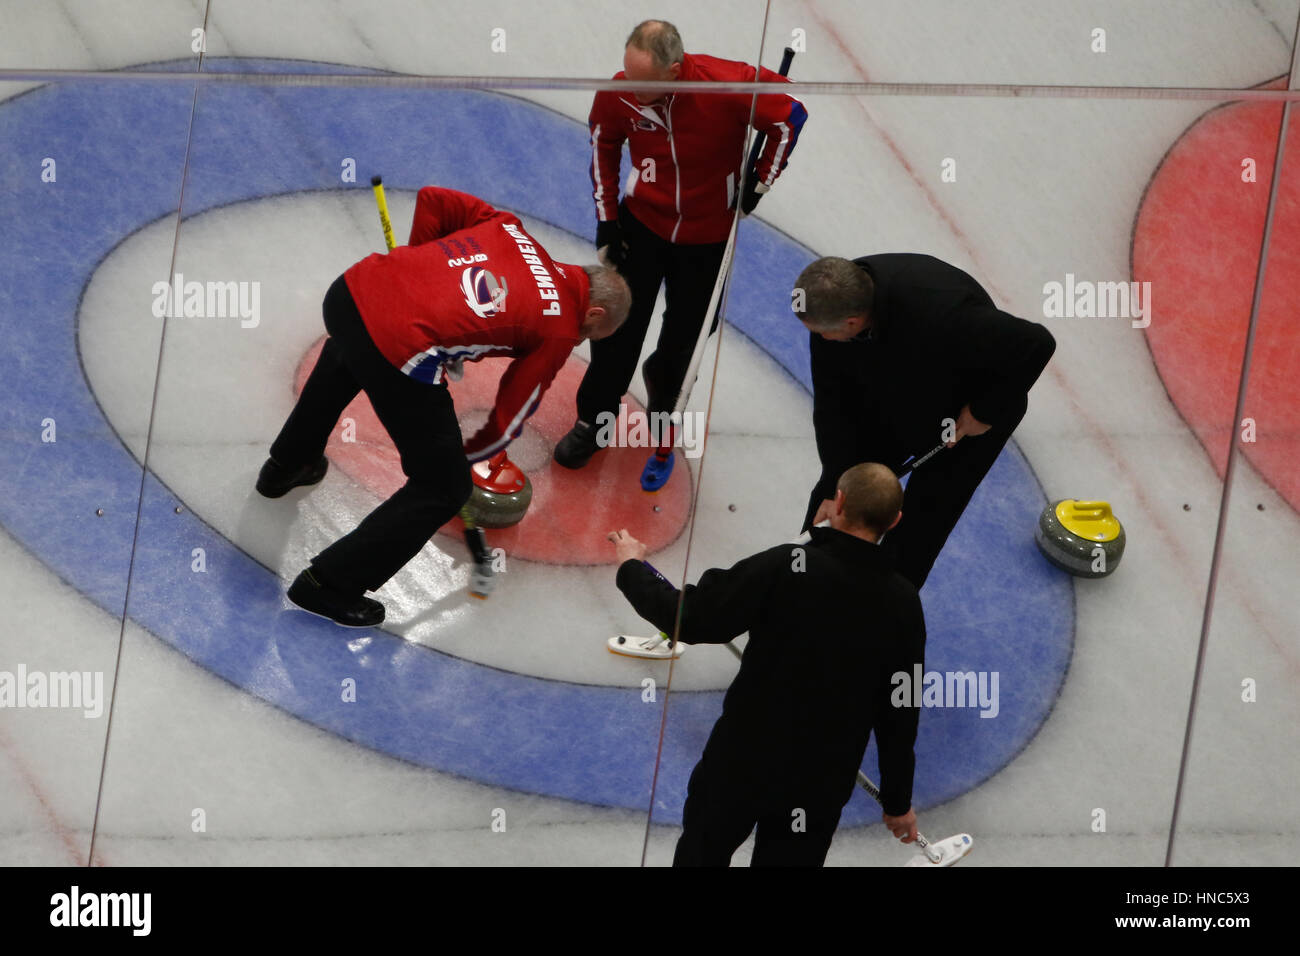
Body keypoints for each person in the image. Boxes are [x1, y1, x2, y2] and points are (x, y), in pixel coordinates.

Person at [257, 185, 630, 627]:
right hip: (399, 345)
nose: (582, 340)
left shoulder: (512, 231)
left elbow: (435, 199)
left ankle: (286, 466)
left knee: (347, 355)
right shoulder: (561, 328)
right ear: (595, 315)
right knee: (442, 487)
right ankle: (329, 584)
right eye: (592, 337)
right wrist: (474, 454)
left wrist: (419, 273)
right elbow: (516, 406)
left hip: (353, 290)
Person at [609, 463, 925, 866]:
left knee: (702, 855)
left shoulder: (788, 567)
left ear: (838, 502)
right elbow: (901, 710)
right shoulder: (904, 604)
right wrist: (898, 801)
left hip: (743, 761)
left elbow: (690, 618)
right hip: (819, 783)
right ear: (895, 521)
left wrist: (632, 568)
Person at [555, 19, 807, 489]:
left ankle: (664, 394)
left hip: (708, 237)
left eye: (644, 82)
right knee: (616, 328)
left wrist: (758, 182)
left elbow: (790, 114)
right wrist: (607, 216)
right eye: (628, 76)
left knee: (688, 337)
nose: (632, 89)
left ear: (675, 70)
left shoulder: (726, 85)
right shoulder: (621, 92)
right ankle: (594, 420)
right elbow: (601, 144)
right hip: (641, 229)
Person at [795, 254, 1056, 590]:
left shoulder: (943, 311)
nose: (815, 337)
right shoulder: (830, 314)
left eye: (819, 332)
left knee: (921, 526)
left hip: (963, 420)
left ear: (851, 322)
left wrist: (985, 410)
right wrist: (837, 484)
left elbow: (1035, 343)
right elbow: (833, 407)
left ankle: (881, 615)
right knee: (836, 502)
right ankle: (802, 589)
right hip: (892, 396)